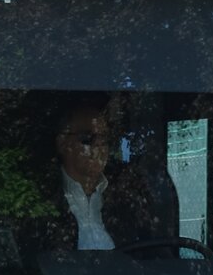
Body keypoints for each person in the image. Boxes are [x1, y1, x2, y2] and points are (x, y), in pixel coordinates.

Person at [36, 95, 180, 253]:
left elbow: (153, 256)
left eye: (104, 138)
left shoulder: (127, 199)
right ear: (63, 144)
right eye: (88, 138)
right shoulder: (40, 201)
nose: (99, 146)